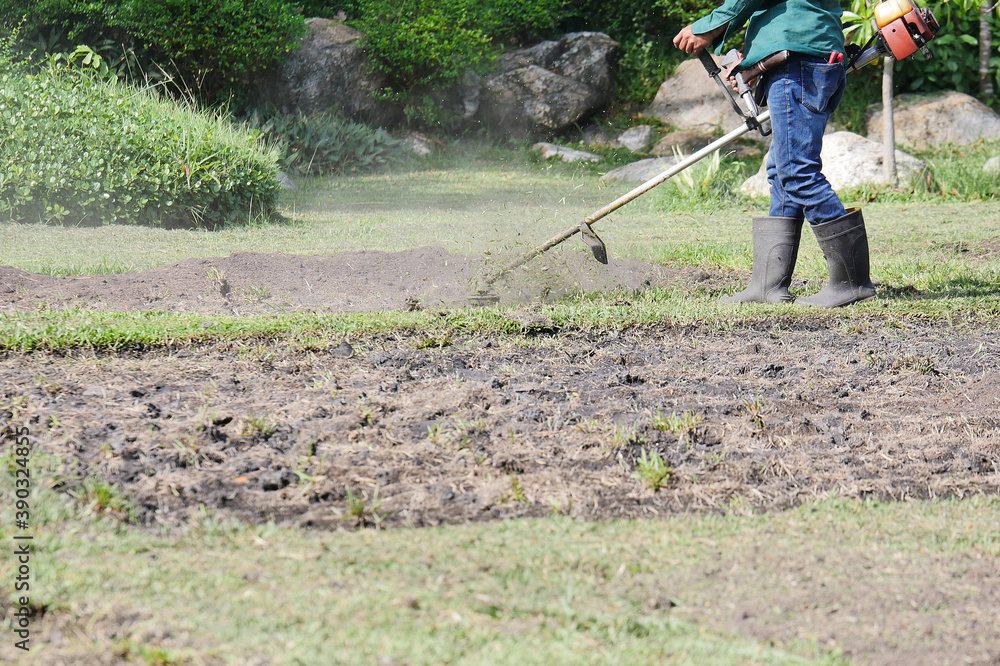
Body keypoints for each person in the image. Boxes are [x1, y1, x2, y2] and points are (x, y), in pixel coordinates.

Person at [673, 0, 876, 307]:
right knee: (783, 171)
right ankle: (769, 284)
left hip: (797, 63)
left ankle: (852, 283)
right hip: (806, 56)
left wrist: (707, 28)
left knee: (797, 170)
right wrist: (755, 59)